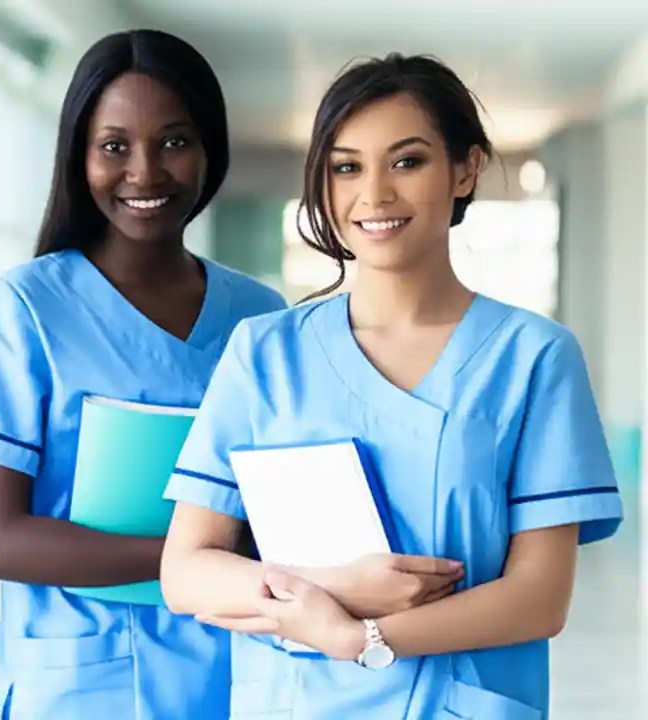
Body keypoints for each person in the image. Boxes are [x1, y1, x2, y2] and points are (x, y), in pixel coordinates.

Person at [161, 53, 623, 719]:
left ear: (466, 168)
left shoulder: (532, 357)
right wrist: (331, 591)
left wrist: (363, 638)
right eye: (346, 166)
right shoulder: (264, 354)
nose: (373, 195)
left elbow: (539, 598)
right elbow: (186, 572)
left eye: (407, 161)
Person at [0, 28, 291, 719]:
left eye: (175, 142)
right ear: (78, 158)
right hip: (77, 685)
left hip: (236, 670)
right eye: (114, 146)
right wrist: (198, 559)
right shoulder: (24, 308)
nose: (145, 172)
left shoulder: (261, 318)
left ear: (211, 149)